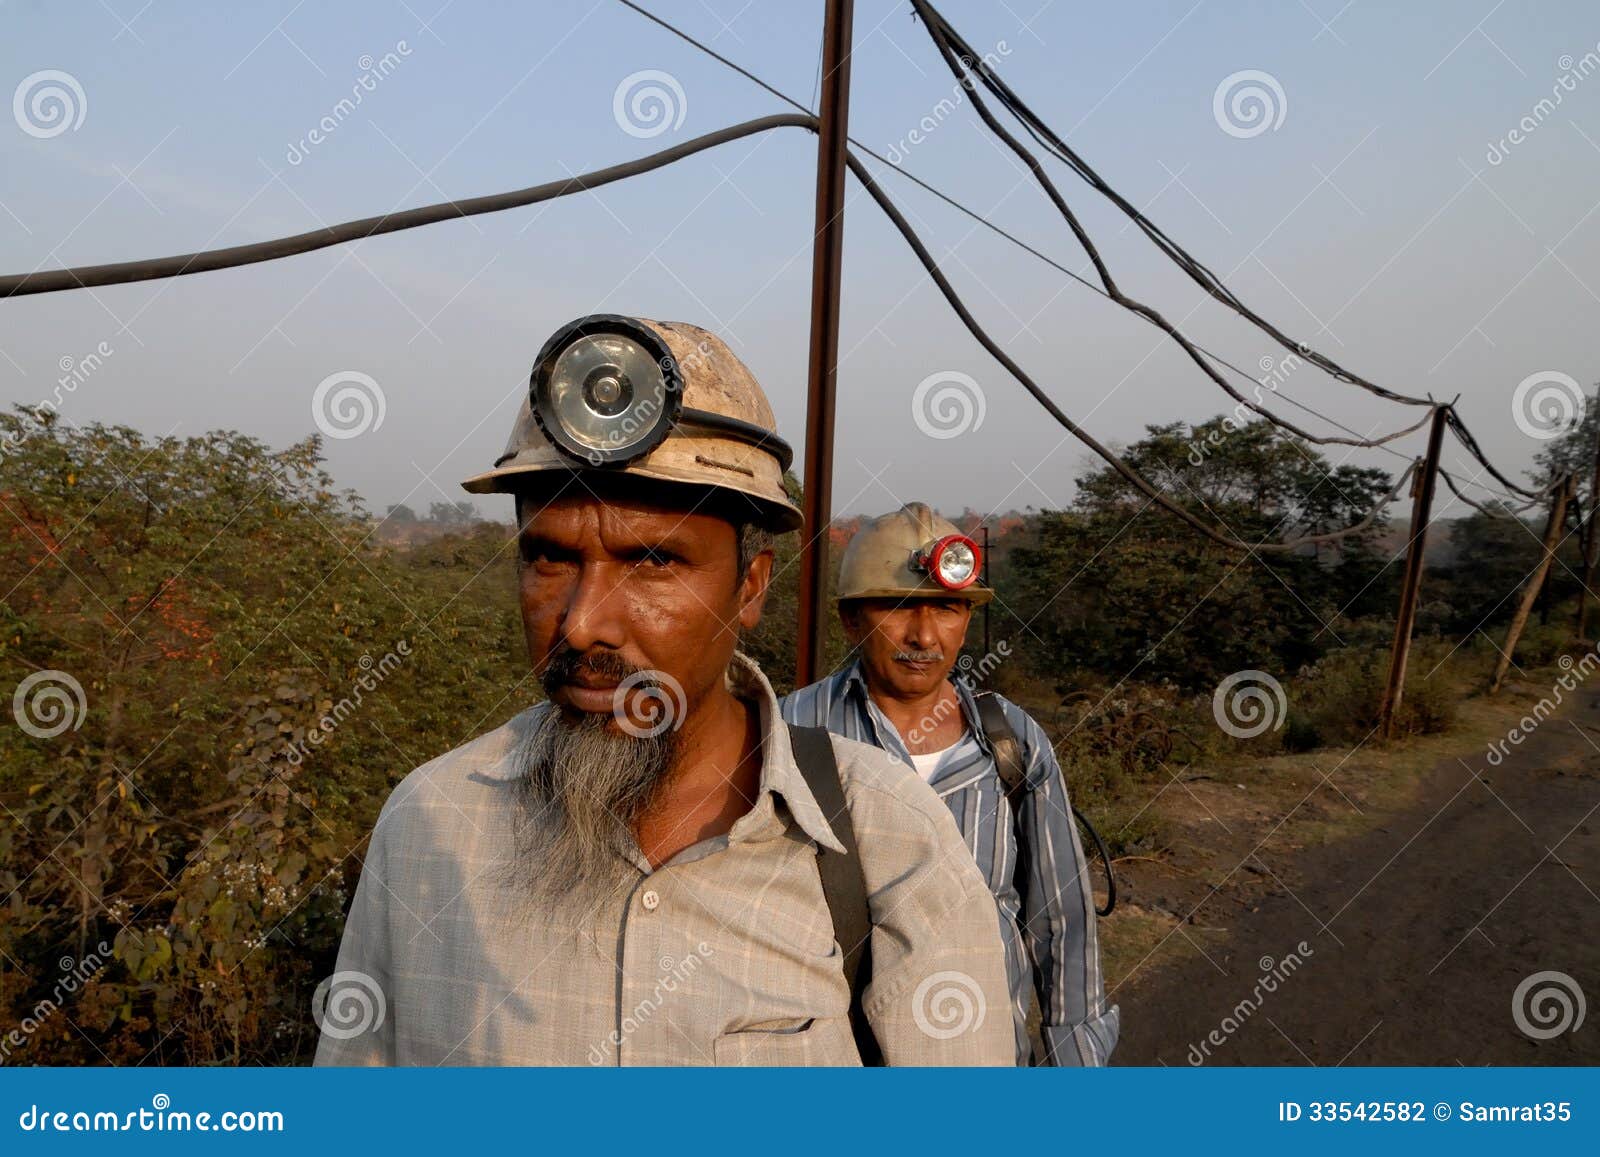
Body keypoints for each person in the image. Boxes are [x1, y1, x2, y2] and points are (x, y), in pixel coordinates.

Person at [314, 317, 1014, 1066]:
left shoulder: (886, 837)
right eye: (549, 557)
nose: (581, 625)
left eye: (650, 561)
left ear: (750, 587)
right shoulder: (429, 826)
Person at [782, 502, 1119, 1065]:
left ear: (967, 618)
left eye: (946, 609)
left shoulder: (1013, 742)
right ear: (850, 619)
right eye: (898, 608)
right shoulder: (792, 732)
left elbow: (1061, 920)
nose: (923, 635)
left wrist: (1074, 1064)